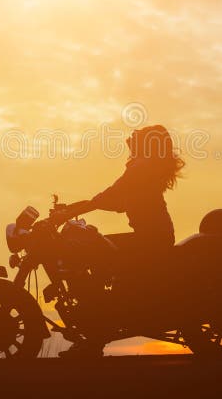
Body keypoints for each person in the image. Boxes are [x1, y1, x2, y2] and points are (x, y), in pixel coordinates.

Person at [50, 124, 185, 357]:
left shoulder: (141, 167)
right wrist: (73, 208)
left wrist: (70, 213)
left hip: (151, 240)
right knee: (100, 248)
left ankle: (96, 333)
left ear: (147, 144)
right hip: (155, 236)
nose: (130, 140)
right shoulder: (147, 168)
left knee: (94, 254)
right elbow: (116, 203)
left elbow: (110, 194)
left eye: (137, 138)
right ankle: (96, 328)